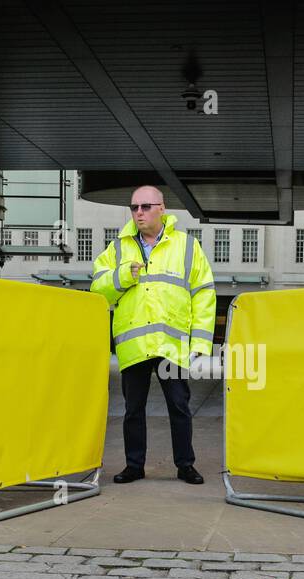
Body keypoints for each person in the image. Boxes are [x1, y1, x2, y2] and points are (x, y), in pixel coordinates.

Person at [90, 185, 215, 485]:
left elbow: (204, 294)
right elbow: (97, 288)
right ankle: (134, 466)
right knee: (133, 409)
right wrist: (122, 275)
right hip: (134, 345)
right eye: (134, 208)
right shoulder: (118, 248)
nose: (139, 213)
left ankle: (185, 465)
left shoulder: (187, 246)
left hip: (170, 346)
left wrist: (199, 342)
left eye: (145, 206)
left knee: (179, 407)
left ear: (162, 208)